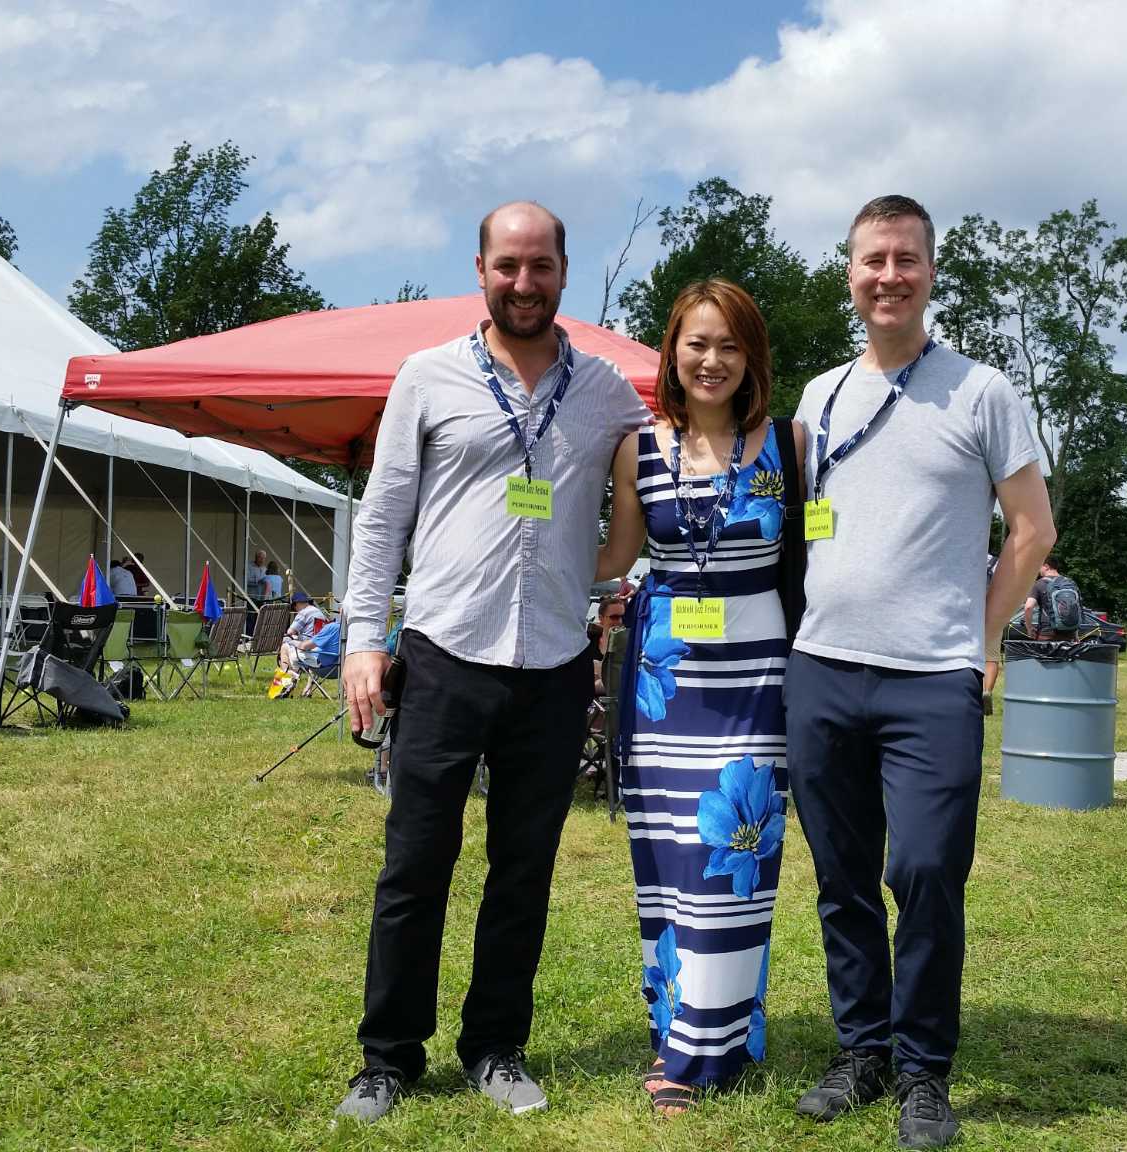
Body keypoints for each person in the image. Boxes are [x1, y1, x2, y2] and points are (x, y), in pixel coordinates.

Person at [332, 201, 649, 1125]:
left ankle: (496, 1047)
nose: (523, 282)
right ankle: (388, 1057)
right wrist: (362, 639)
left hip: (553, 663)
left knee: (524, 868)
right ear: (480, 269)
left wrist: (618, 569)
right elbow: (383, 518)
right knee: (414, 865)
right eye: (507, 265)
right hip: (442, 654)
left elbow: (660, 482)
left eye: (540, 266)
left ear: (563, 272)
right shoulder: (426, 378)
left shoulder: (606, 395)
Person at [786, 196, 1055, 1149]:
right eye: (872, 260)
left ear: (931, 271)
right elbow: (802, 530)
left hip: (932, 677)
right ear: (849, 273)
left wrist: (981, 640)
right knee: (843, 874)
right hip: (821, 668)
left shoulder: (981, 392)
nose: (888, 275)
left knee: (930, 869)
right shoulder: (816, 399)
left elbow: (1033, 532)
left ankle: (924, 1071)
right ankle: (863, 1051)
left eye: (906, 259)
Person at [593, 278, 800, 1114]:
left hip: (758, 676)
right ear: (672, 351)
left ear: (751, 357)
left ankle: (703, 1051)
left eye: (729, 346)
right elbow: (616, 555)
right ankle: (685, 1029)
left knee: (736, 864)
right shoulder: (638, 448)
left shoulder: (790, 443)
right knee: (674, 861)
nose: (711, 361)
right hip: (664, 680)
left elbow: (825, 549)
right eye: (696, 344)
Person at [1026, 558, 1079, 640]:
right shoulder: (1070, 583)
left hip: (1047, 633)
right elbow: (1074, 609)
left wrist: (1029, 628)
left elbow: (1028, 607)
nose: (1038, 570)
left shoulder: (1040, 583)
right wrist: (1075, 635)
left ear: (1046, 566)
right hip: (1069, 633)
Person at [586, 595, 625, 695]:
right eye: (614, 617)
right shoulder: (587, 640)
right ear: (601, 618)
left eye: (623, 617)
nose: (619, 621)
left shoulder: (629, 646)